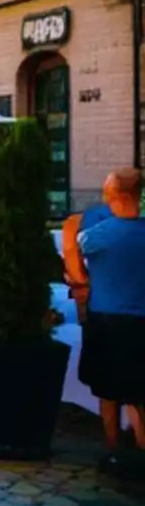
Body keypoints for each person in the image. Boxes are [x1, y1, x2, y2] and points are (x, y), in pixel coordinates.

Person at [75, 169, 145, 474]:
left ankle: (113, 449)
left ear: (117, 196)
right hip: (141, 321)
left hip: (106, 320)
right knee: (140, 393)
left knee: (107, 391)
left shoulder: (99, 235)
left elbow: (76, 244)